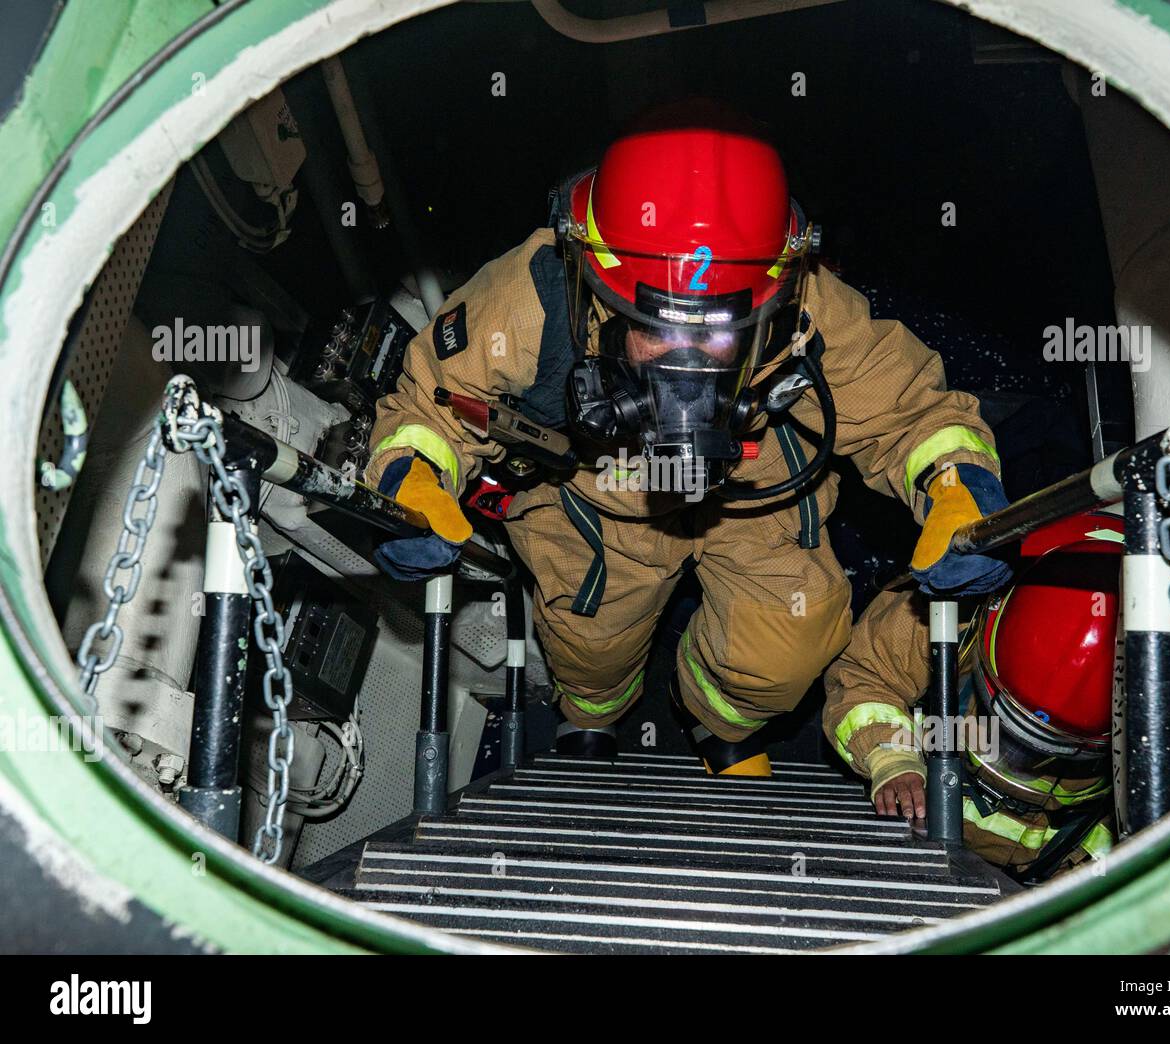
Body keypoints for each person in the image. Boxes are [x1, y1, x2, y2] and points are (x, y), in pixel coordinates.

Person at [366, 103, 1011, 777]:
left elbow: (907, 407)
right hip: (597, 496)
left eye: (716, 335)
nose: (688, 367)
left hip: (752, 488)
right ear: (594, 290)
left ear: (772, 303)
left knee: (791, 644)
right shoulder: (527, 303)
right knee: (588, 645)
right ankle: (593, 714)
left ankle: (717, 718)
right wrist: (412, 478)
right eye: (657, 329)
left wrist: (953, 485)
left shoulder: (802, 303)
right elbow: (430, 405)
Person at [823, 511, 1120, 878]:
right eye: (1008, 729)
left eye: (1045, 749)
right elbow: (866, 673)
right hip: (924, 805)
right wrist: (892, 759)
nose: (1013, 758)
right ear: (990, 624)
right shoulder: (953, 603)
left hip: (1054, 860)